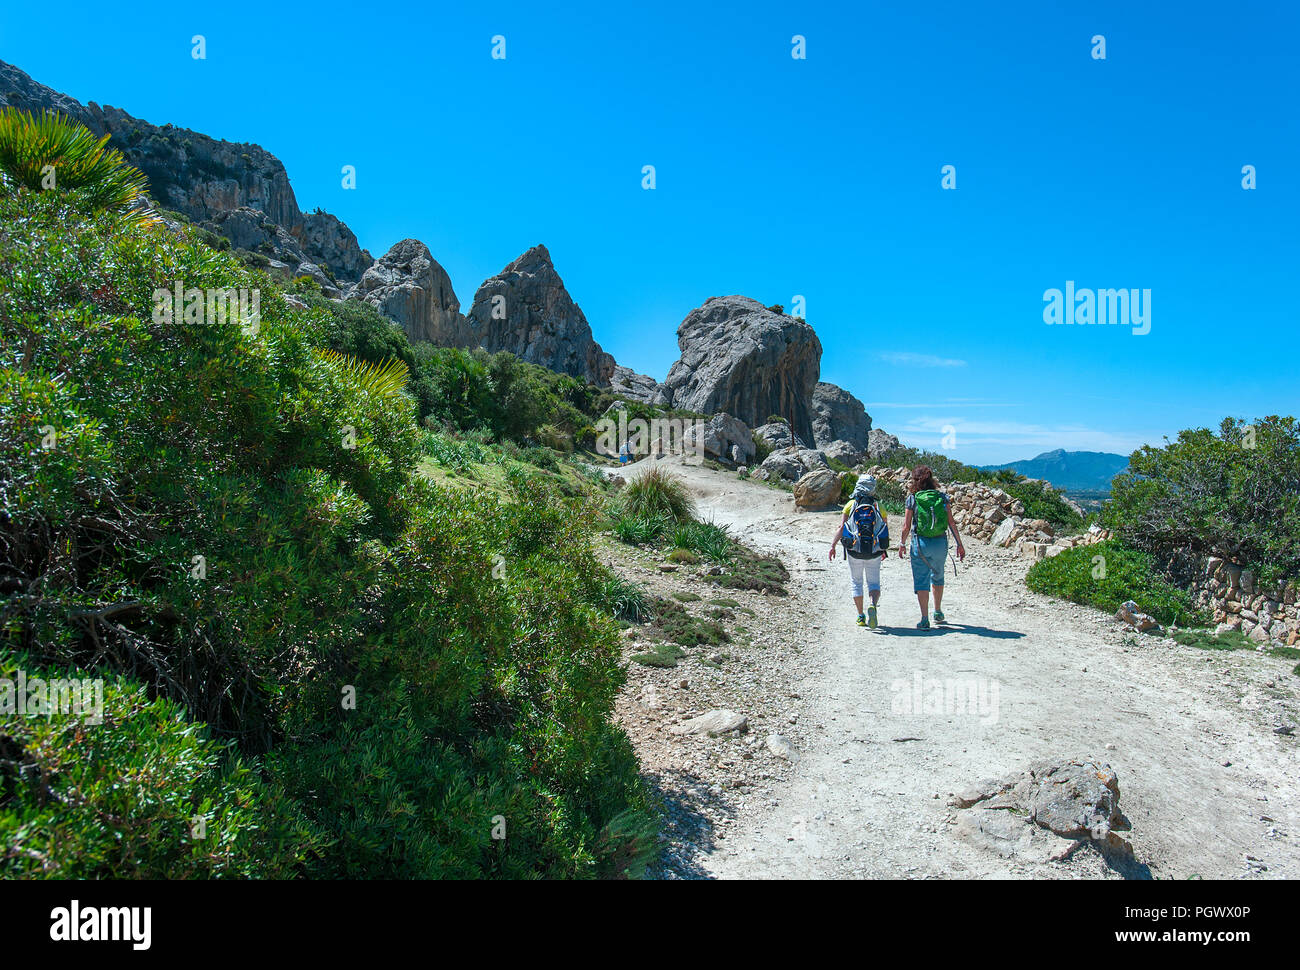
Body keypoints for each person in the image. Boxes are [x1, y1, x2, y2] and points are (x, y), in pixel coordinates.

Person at [896, 465, 964, 629]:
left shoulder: (912, 499)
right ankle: (938, 611)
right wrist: (960, 545)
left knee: (921, 580)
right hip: (940, 543)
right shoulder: (942, 497)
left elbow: (906, 526)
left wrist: (902, 544)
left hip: (920, 544)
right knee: (938, 576)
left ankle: (925, 618)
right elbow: (951, 522)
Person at [828, 476, 889, 628]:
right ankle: (873, 605)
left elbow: (841, 528)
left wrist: (833, 545)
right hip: (874, 550)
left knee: (857, 582)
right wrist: (883, 549)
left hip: (854, 550)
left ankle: (860, 616)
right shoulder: (879, 506)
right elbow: (884, 529)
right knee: (873, 582)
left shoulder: (850, 505)